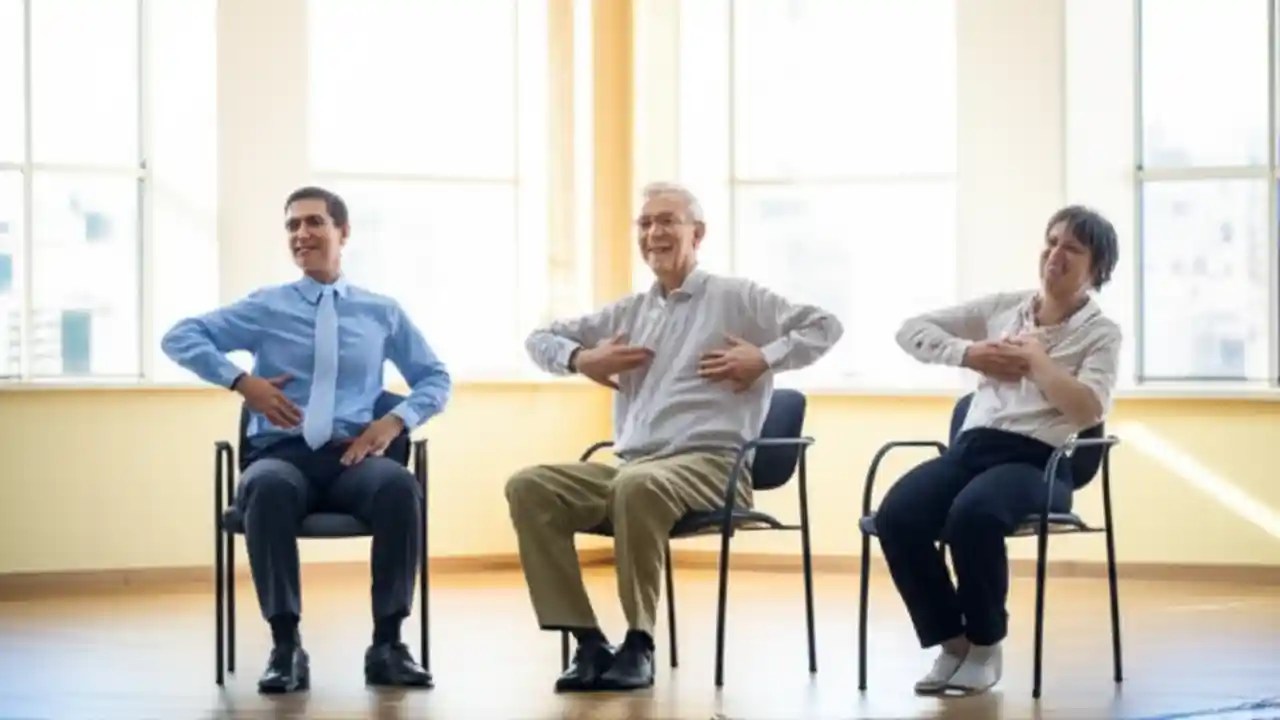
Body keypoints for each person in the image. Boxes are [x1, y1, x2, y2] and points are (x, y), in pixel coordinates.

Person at [505, 181, 844, 692]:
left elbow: (825, 325)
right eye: (645, 223)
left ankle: (639, 643)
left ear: (697, 233)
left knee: (635, 487)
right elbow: (538, 338)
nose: (654, 232)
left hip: (713, 467)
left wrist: (764, 357)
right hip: (636, 466)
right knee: (529, 485)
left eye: (667, 221)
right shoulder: (630, 313)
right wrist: (582, 359)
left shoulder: (736, 297)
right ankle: (590, 644)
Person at [161, 186, 449, 693]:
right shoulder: (266, 307)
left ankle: (387, 645)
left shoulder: (380, 312)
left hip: (354, 456)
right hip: (282, 454)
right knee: (266, 488)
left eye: (314, 222)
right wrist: (241, 381)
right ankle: (286, 646)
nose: (302, 234)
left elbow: (434, 377)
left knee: (399, 488)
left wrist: (396, 420)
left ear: (343, 232)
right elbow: (180, 336)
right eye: (293, 226)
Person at [878, 205, 1122, 696]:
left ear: (1096, 269)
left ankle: (987, 646)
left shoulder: (1102, 333)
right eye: (1051, 242)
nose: (1056, 255)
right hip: (971, 450)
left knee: (975, 514)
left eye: (1072, 249)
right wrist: (969, 353)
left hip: (1041, 462)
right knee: (897, 515)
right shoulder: (1003, 308)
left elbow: (1089, 409)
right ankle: (953, 642)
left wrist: (1037, 363)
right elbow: (911, 330)